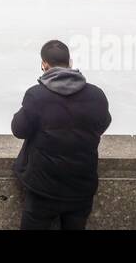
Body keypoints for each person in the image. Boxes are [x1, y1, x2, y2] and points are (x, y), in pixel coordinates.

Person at [11, 39, 111, 230]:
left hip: (43, 189)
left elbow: (18, 129)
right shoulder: (96, 95)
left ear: (44, 64)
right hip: (81, 187)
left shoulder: (36, 96)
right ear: (70, 62)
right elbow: (103, 123)